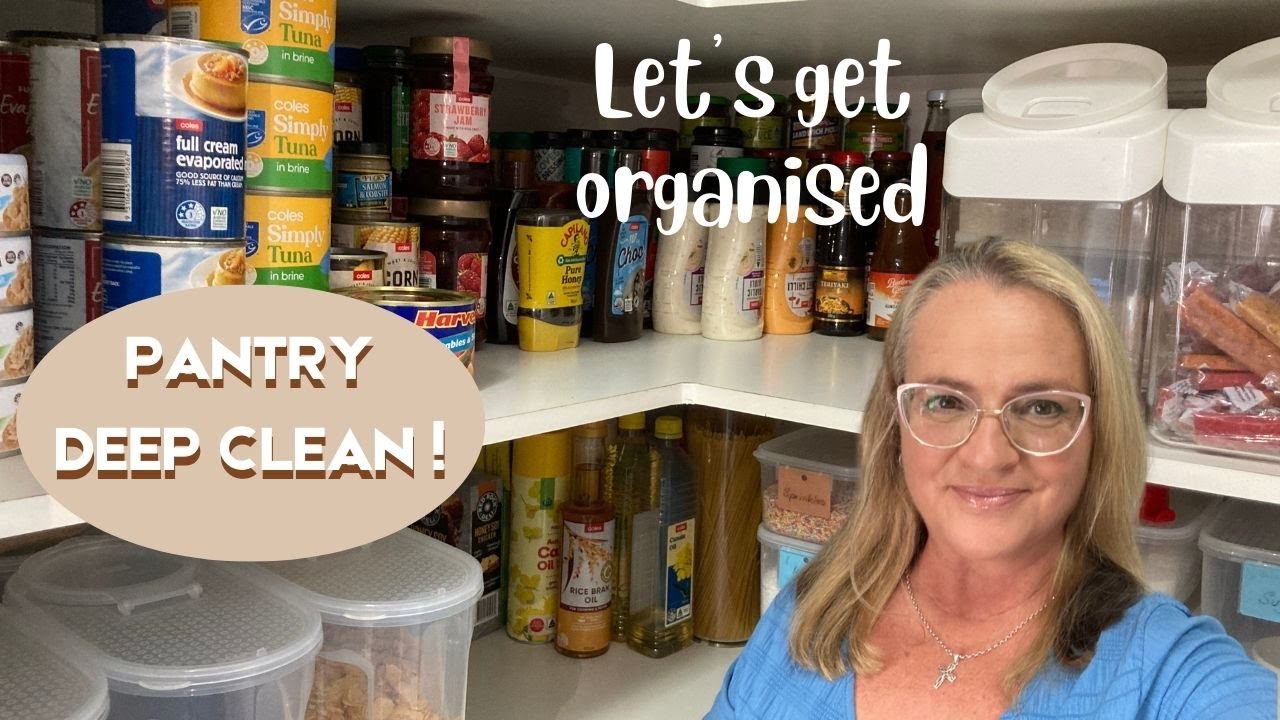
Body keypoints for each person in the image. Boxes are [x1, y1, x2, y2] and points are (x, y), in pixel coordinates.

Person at [707, 238, 1278, 719]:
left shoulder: (1165, 671)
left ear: (1099, 434)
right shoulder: (813, 609)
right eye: (945, 401)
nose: (987, 456)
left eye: (1042, 408)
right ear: (896, 424)